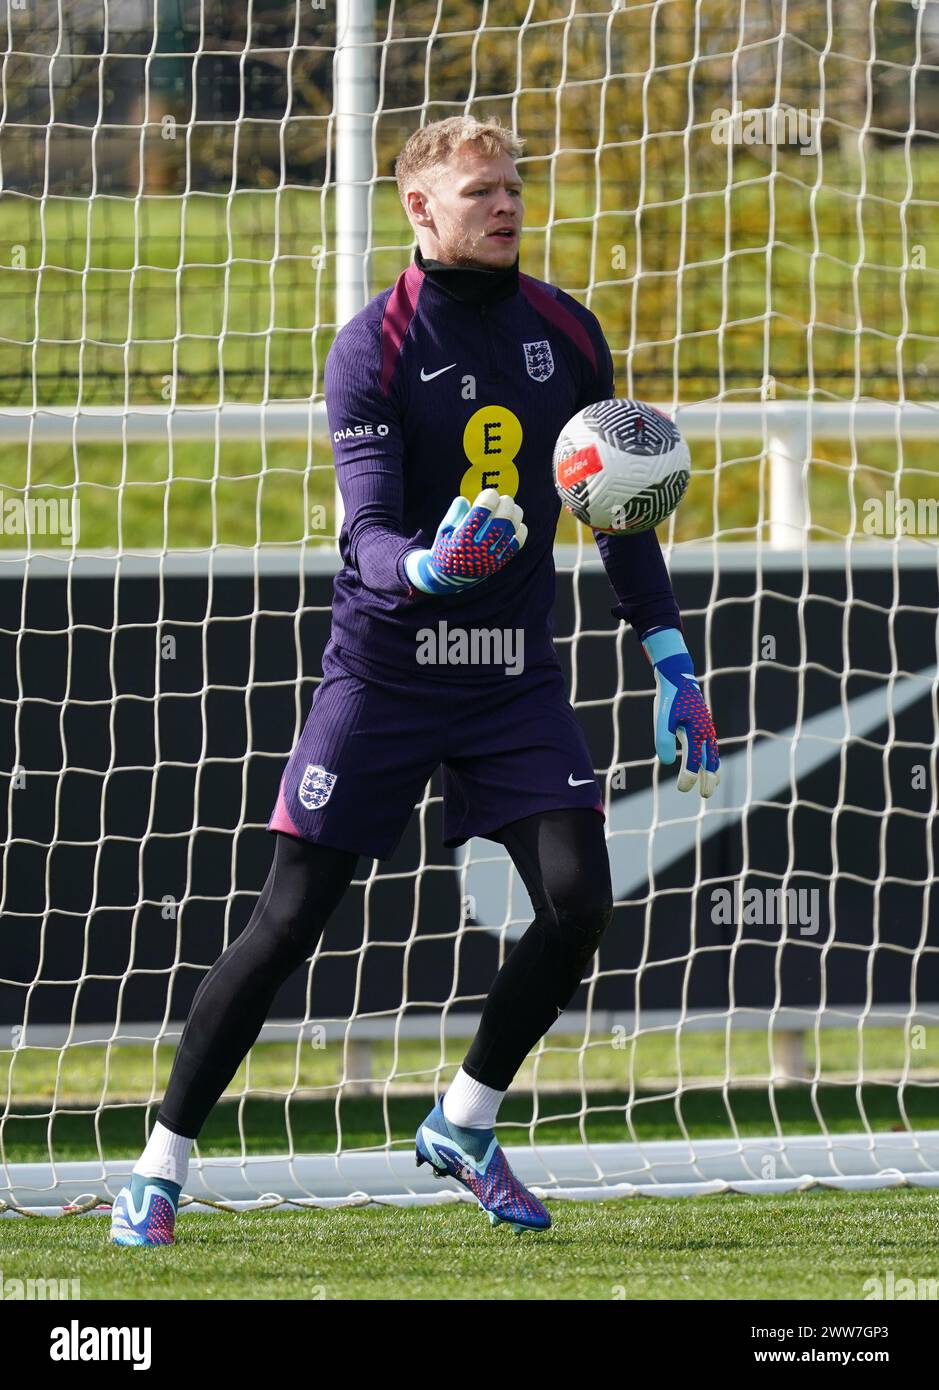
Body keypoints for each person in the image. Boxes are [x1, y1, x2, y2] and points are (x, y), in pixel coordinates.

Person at [110, 114, 720, 1246]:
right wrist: (431, 569)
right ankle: (159, 1164)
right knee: (291, 917)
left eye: (514, 185)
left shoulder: (567, 332)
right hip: (387, 667)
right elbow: (370, 534)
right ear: (419, 208)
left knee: (580, 898)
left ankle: (466, 1121)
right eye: (481, 189)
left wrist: (670, 660)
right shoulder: (372, 346)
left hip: (509, 676)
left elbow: (621, 512)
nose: (506, 204)